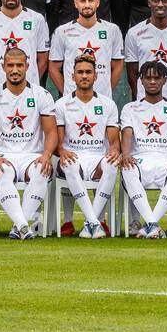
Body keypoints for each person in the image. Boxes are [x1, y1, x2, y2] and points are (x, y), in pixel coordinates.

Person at [0, 47, 59, 240]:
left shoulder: (42, 95)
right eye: (11, 65)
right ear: (3, 67)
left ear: (27, 66)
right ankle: (23, 225)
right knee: (2, 171)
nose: (15, 70)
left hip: (33, 155)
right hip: (4, 155)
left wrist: (46, 155)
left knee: (42, 170)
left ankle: (18, 226)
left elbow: (51, 132)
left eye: (19, 65)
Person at [118, 60, 167, 239]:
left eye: (157, 78)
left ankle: (150, 223)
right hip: (141, 158)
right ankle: (153, 224)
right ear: (140, 80)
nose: (152, 82)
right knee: (126, 166)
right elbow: (126, 134)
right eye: (148, 78)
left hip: (166, 159)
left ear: (165, 80)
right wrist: (125, 154)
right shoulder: (130, 108)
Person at [53, 55, 120, 239]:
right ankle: (93, 223)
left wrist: (114, 150)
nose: (84, 76)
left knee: (112, 164)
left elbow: (114, 141)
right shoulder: (61, 104)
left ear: (95, 76)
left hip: (98, 156)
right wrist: (61, 151)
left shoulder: (108, 104)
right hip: (72, 156)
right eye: (80, 72)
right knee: (69, 162)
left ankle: (92, 222)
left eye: (88, 72)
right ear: (72, 76)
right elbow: (58, 142)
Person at [48, 0, 124, 98]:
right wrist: (68, 94)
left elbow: (118, 66)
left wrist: (106, 93)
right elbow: (54, 68)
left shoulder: (112, 30)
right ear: (76, 4)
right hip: (72, 103)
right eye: (83, 1)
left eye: (91, 0)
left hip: (102, 101)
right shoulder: (62, 32)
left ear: (97, 3)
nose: (87, 4)